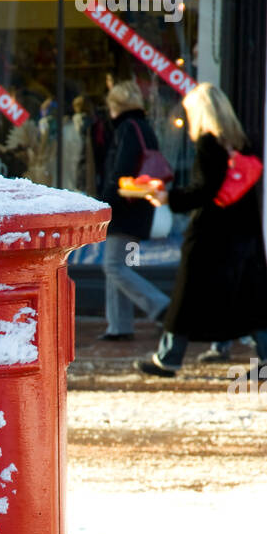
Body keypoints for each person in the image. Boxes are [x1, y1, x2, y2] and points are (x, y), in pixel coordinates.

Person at [133, 83, 267, 377]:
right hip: (244, 234)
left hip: (211, 235)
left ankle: (168, 358)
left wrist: (168, 197)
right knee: (250, 299)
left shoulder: (208, 143)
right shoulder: (243, 142)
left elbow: (205, 190)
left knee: (186, 296)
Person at [98, 80, 171, 341]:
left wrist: (103, 201)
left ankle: (162, 307)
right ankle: (119, 326)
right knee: (118, 264)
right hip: (139, 203)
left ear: (116, 105)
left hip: (125, 204)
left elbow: (122, 170)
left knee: (114, 265)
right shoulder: (144, 127)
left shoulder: (127, 128)